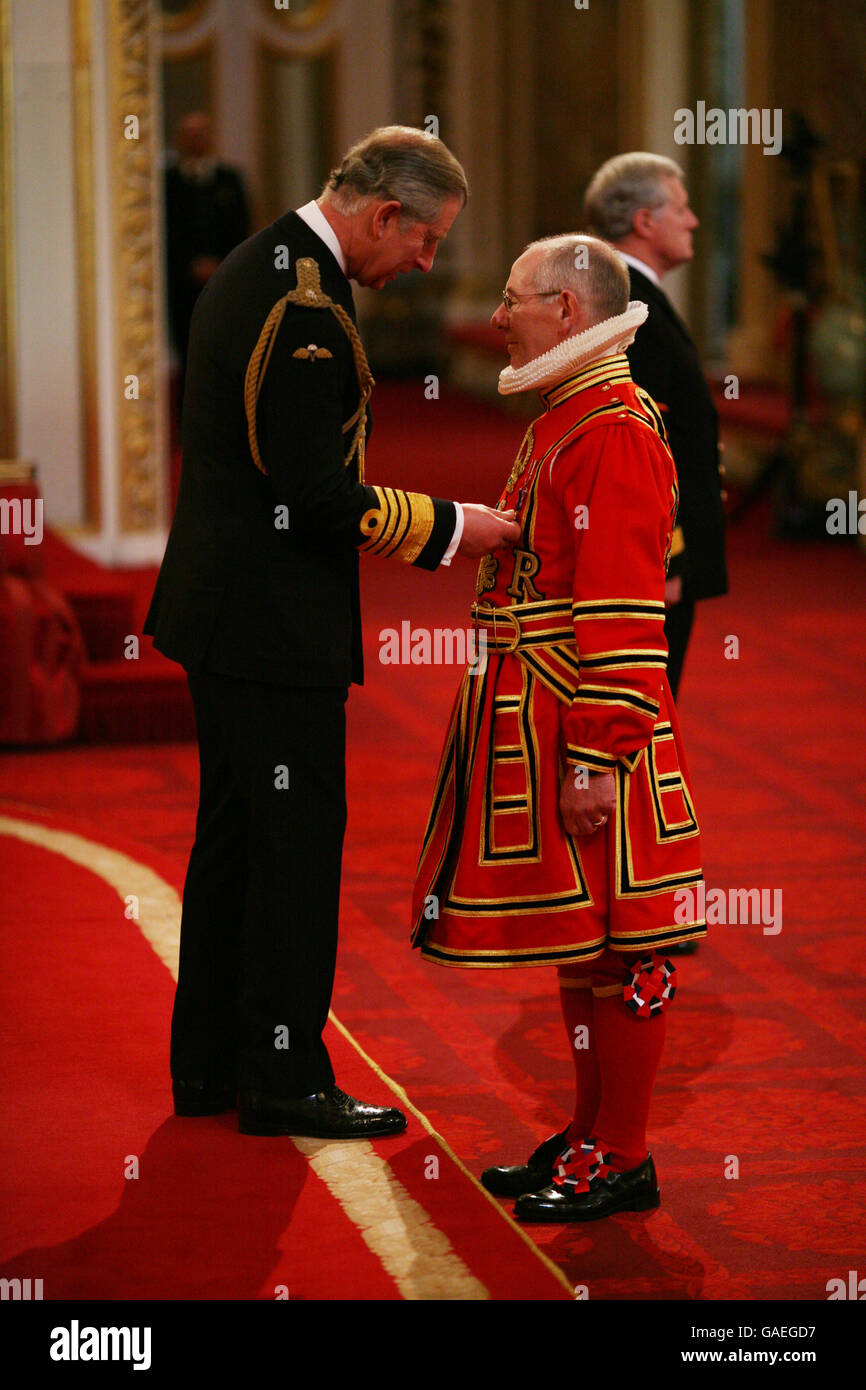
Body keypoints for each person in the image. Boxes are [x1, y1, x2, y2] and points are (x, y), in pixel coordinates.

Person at [145, 126, 519, 1141]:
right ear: (383, 212)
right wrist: (453, 527)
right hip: (268, 623)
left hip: (227, 608)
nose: (427, 264)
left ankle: (211, 1065)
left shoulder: (278, 259)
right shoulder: (303, 300)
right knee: (292, 848)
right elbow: (313, 496)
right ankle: (284, 1077)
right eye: (428, 240)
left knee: (234, 839)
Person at [412, 234, 705, 1221]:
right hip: (548, 704)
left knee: (628, 944)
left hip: (592, 725)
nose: (497, 317)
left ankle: (618, 1151)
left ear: (566, 310)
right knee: (587, 944)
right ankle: (589, 1135)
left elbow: (627, 611)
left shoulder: (611, 426)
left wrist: (592, 754)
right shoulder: (567, 413)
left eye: (511, 299)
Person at [583, 153, 727, 699]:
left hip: (658, 560)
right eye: (682, 208)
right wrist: (665, 559)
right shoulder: (631, 307)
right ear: (644, 222)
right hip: (654, 566)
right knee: (641, 716)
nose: (693, 221)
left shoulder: (633, 297)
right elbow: (634, 448)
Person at [164, 112, 250, 394]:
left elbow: (241, 228)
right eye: (189, 135)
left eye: (201, 135)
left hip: (223, 280)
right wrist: (189, 265)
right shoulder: (166, 182)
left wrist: (221, 266)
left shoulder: (230, 179)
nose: (195, 141)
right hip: (181, 284)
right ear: (179, 141)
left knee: (222, 349)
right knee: (186, 350)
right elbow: (164, 233)